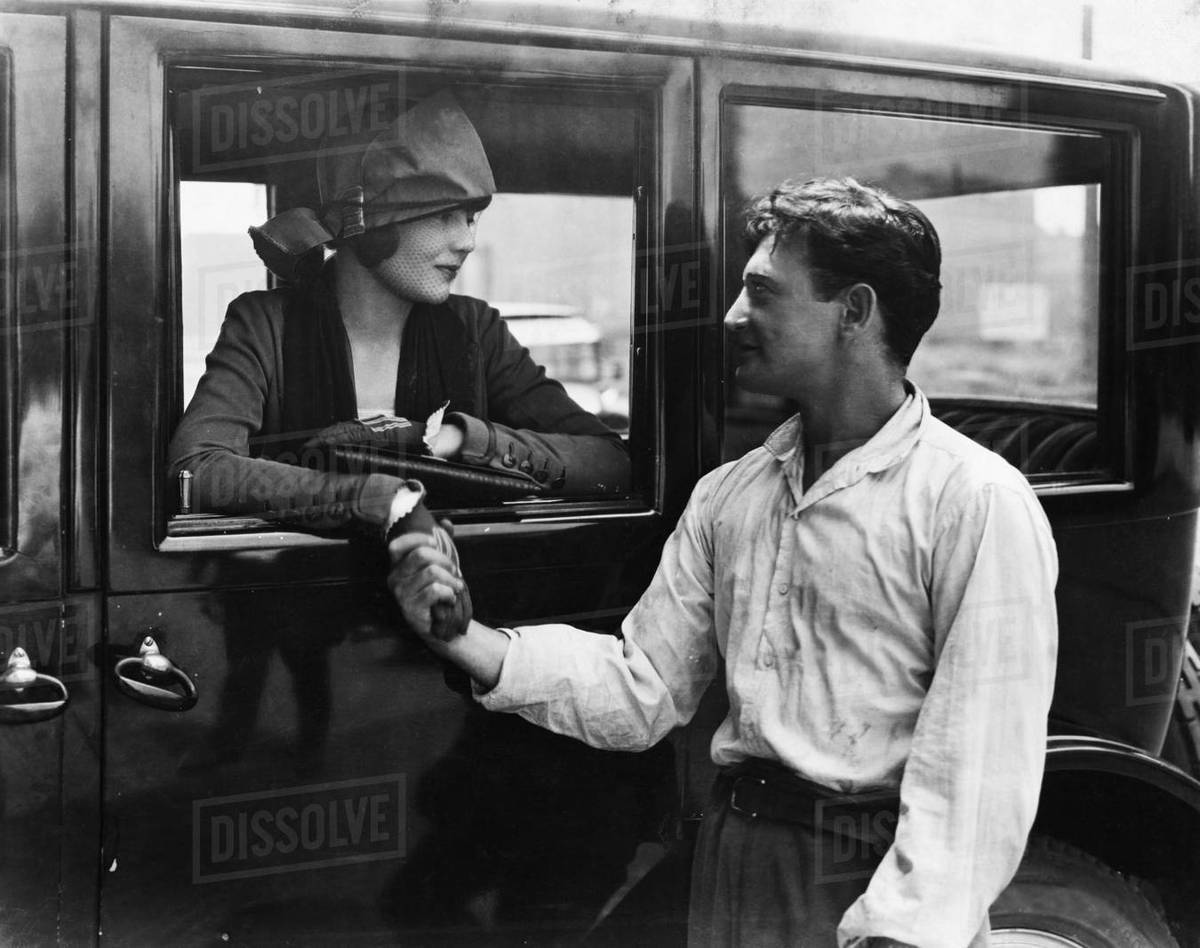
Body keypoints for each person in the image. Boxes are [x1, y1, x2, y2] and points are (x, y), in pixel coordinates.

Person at [388, 176, 1059, 947]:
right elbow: (642, 689)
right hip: (731, 862)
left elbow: (977, 773)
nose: (734, 315)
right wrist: (465, 638)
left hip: (861, 885)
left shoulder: (974, 502)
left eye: (763, 293)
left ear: (855, 312)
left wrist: (900, 932)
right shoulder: (732, 495)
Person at [168, 91, 630, 530]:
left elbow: (611, 460)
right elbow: (198, 468)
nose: (467, 242)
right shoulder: (265, 325)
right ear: (369, 224)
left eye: (471, 218)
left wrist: (460, 439)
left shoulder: (477, 332)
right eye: (444, 215)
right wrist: (374, 501)